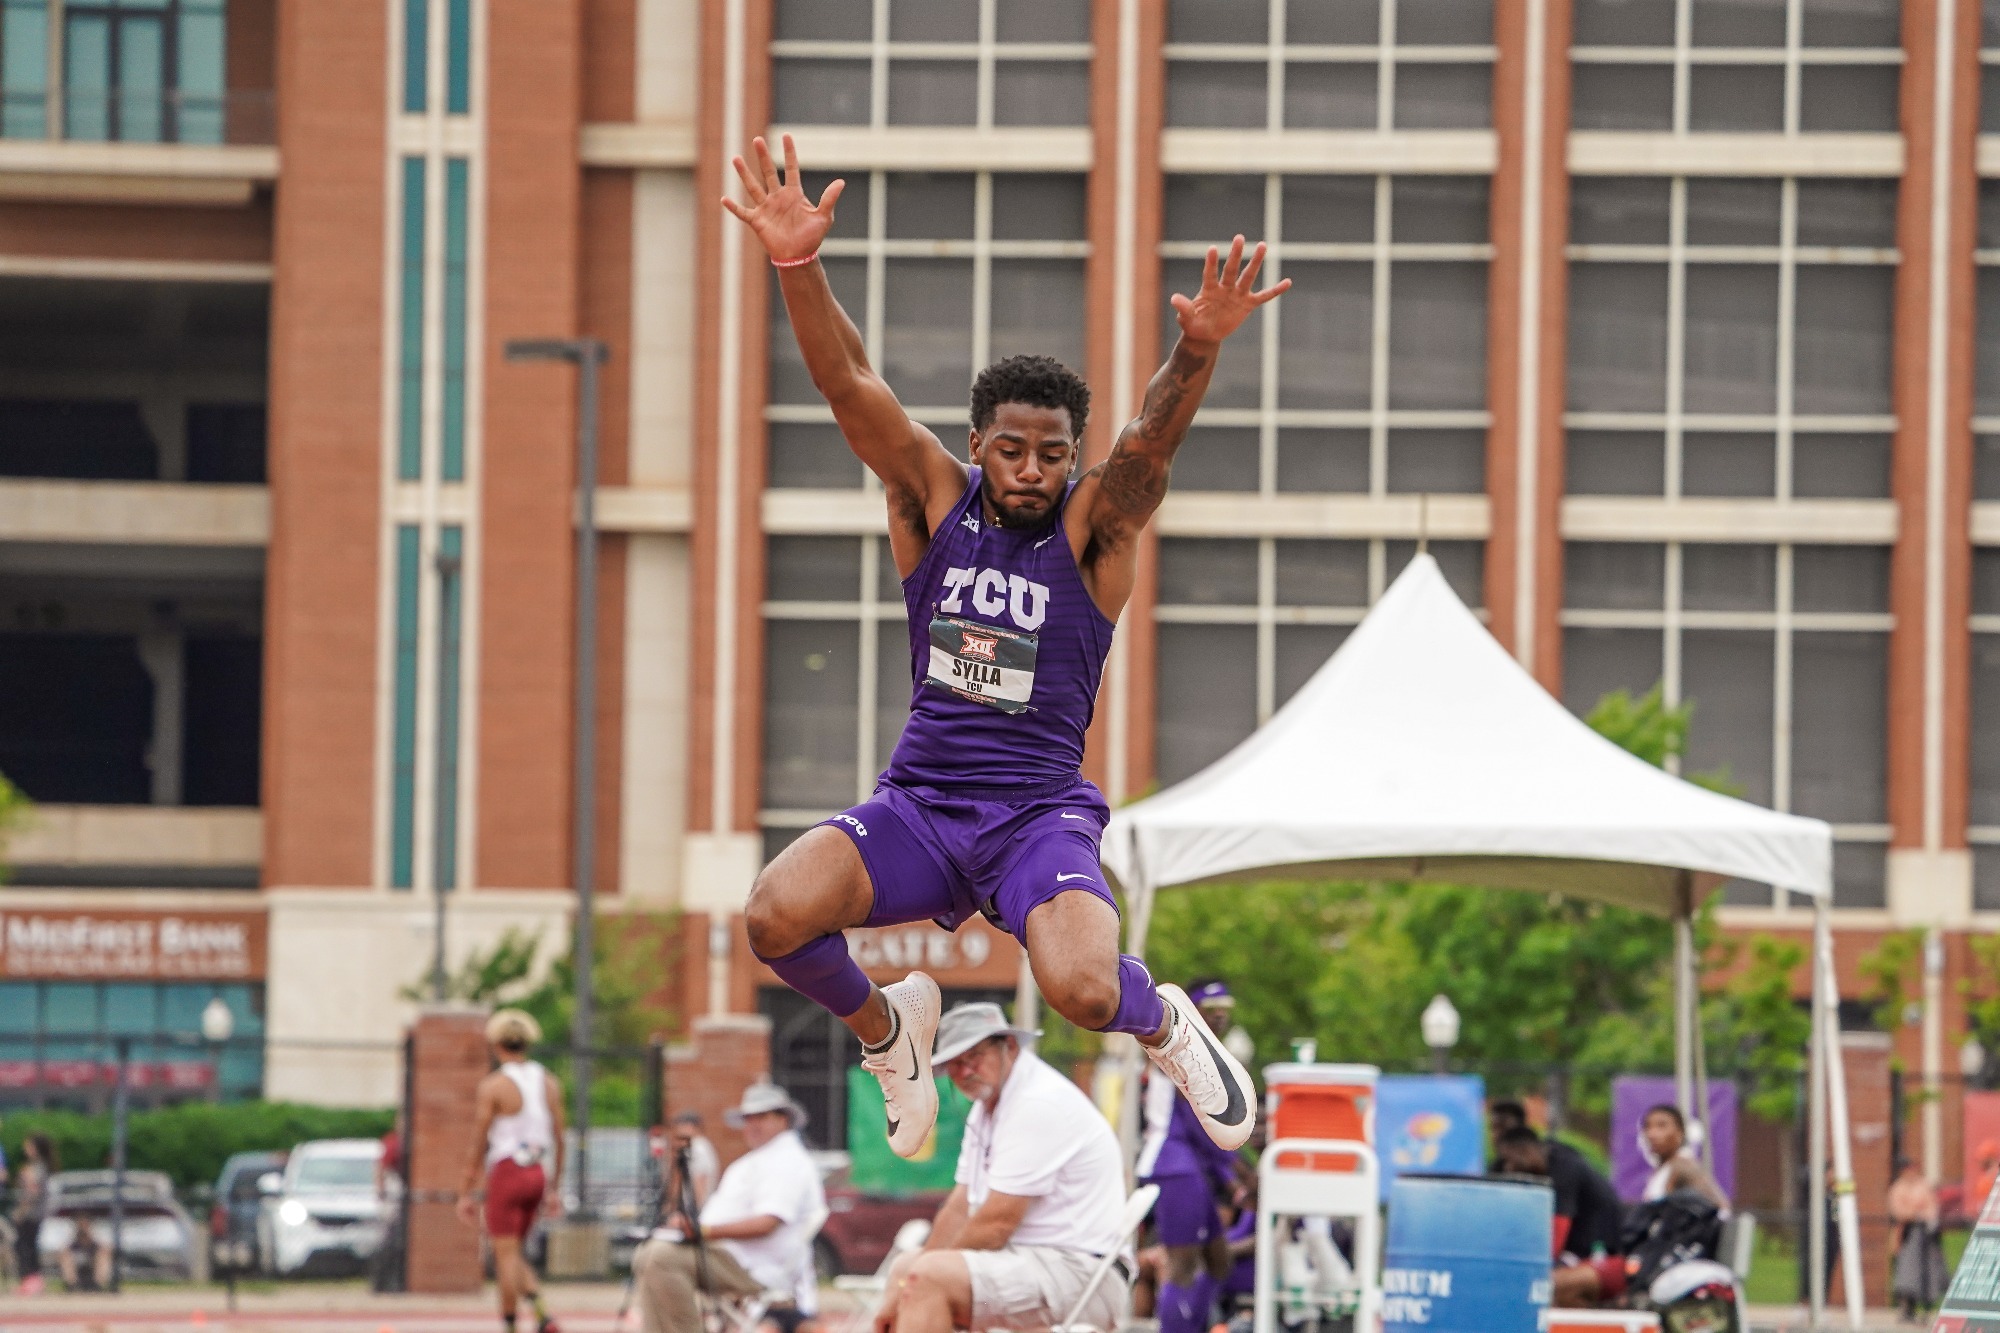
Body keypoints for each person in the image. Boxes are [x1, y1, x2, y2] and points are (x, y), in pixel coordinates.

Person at [723, 134, 1286, 1161]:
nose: (1031, 471)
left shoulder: (1093, 531)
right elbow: (850, 382)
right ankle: (887, 1029)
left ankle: (1161, 1021)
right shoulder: (930, 502)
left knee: (1078, 989)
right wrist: (796, 264)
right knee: (771, 915)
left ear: (1074, 457)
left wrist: (1196, 347)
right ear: (976, 444)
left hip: (1034, 816)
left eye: (1053, 454)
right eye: (1011, 451)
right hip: (921, 806)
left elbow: (1149, 446)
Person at [877, 1003, 1131, 1333]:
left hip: (1083, 1274)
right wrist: (911, 1277)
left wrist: (920, 1277)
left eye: (973, 1057)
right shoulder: (989, 1108)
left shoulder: (1037, 1103)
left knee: (928, 1279)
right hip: (1038, 1265)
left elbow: (996, 1224)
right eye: (955, 1063)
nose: (965, 1071)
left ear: (1009, 1046)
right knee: (906, 1268)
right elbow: (958, 1207)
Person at [631, 1083, 826, 1333]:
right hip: (728, 1256)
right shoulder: (756, 1160)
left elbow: (767, 1223)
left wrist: (703, 1231)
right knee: (647, 1254)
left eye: (762, 1116)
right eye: (748, 1118)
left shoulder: (789, 1161)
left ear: (784, 1119)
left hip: (755, 1266)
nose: (753, 1124)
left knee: (661, 1257)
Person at [1138, 980, 1246, 1333]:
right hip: (1174, 1165)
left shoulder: (1198, 1049)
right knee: (1182, 1267)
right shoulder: (1182, 1048)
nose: (1219, 1016)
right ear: (1193, 1011)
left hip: (1189, 1166)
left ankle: (1191, 1325)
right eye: (1211, 1009)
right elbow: (1203, 1124)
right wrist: (1234, 1173)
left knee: (1218, 1261)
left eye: (1224, 1010)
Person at [457, 1009, 564, 1333]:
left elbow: (479, 1139)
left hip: (507, 1171)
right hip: (537, 1171)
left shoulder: (494, 1086)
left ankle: (515, 1324)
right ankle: (542, 1313)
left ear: (496, 1044)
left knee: (504, 1255)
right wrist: (555, 1185)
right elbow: (560, 1136)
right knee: (513, 1251)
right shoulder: (549, 1082)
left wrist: (466, 1187)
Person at [1494, 1128, 1627, 1308]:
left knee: (1539, 1287)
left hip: (1600, 1251)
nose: (1508, 1168)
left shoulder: (1564, 1168)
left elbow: (1557, 1232)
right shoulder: (1547, 1166)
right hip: (1577, 1251)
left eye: (1510, 1161)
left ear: (1524, 1152)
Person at [1637, 1104, 1729, 1211]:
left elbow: (1721, 1208)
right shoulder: (1664, 1167)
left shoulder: (1683, 1166)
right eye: (1647, 1126)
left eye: (1661, 1126)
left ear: (1680, 1132)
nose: (1652, 1134)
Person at [1888, 1158, 1947, 1322]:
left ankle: (1927, 1309)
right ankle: (1907, 1308)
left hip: (1926, 1234)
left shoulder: (1923, 1186)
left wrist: (1923, 1212)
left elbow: (1931, 1206)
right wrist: (1914, 1211)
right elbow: (1899, 1211)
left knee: (1929, 1272)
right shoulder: (1898, 1188)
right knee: (1907, 1274)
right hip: (1908, 1234)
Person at [11, 1133, 52, 1295]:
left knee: (25, 1246)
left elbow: (32, 1192)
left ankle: (31, 1280)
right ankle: (31, 1280)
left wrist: (20, 1211)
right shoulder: (39, 1166)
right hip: (34, 1213)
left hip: (31, 1214)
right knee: (27, 1246)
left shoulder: (36, 1168)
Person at [666, 1111, 721, 1211]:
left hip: (696, 1211)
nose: (677, 1131)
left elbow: (700, 1181)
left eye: (680, 1126)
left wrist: (694, 1213)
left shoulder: (696, 1147)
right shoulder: (704, 1146)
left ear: (690, 1126)